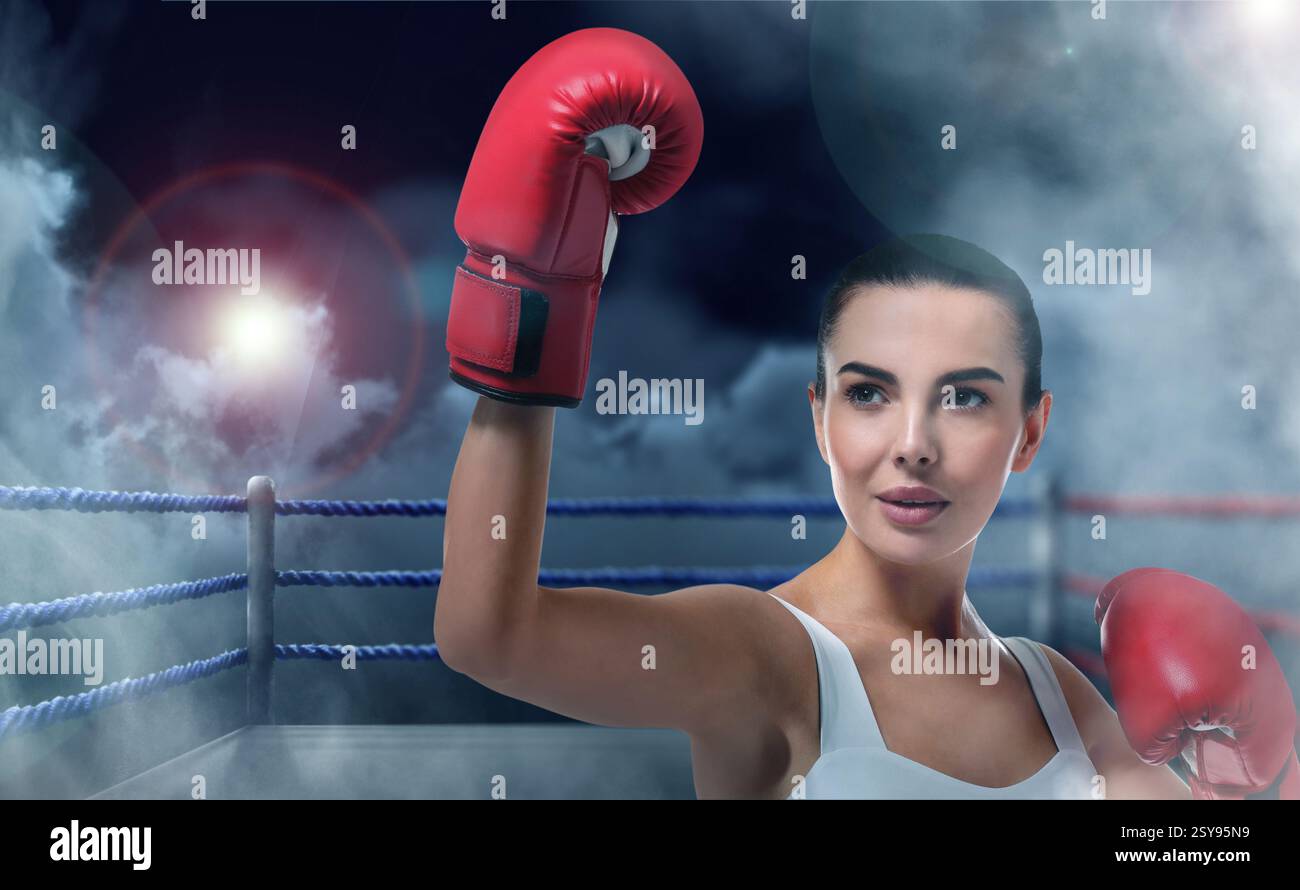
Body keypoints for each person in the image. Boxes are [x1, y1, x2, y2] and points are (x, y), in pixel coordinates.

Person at [435, 28, 1297, 800]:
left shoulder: (1057, 695)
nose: (912, 446)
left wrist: (1254, 779)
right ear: (820, 420)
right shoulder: (769, 655)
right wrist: (528, 315)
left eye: (964, 397)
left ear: (1029, 432)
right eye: (869, 393)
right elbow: (489, 639)